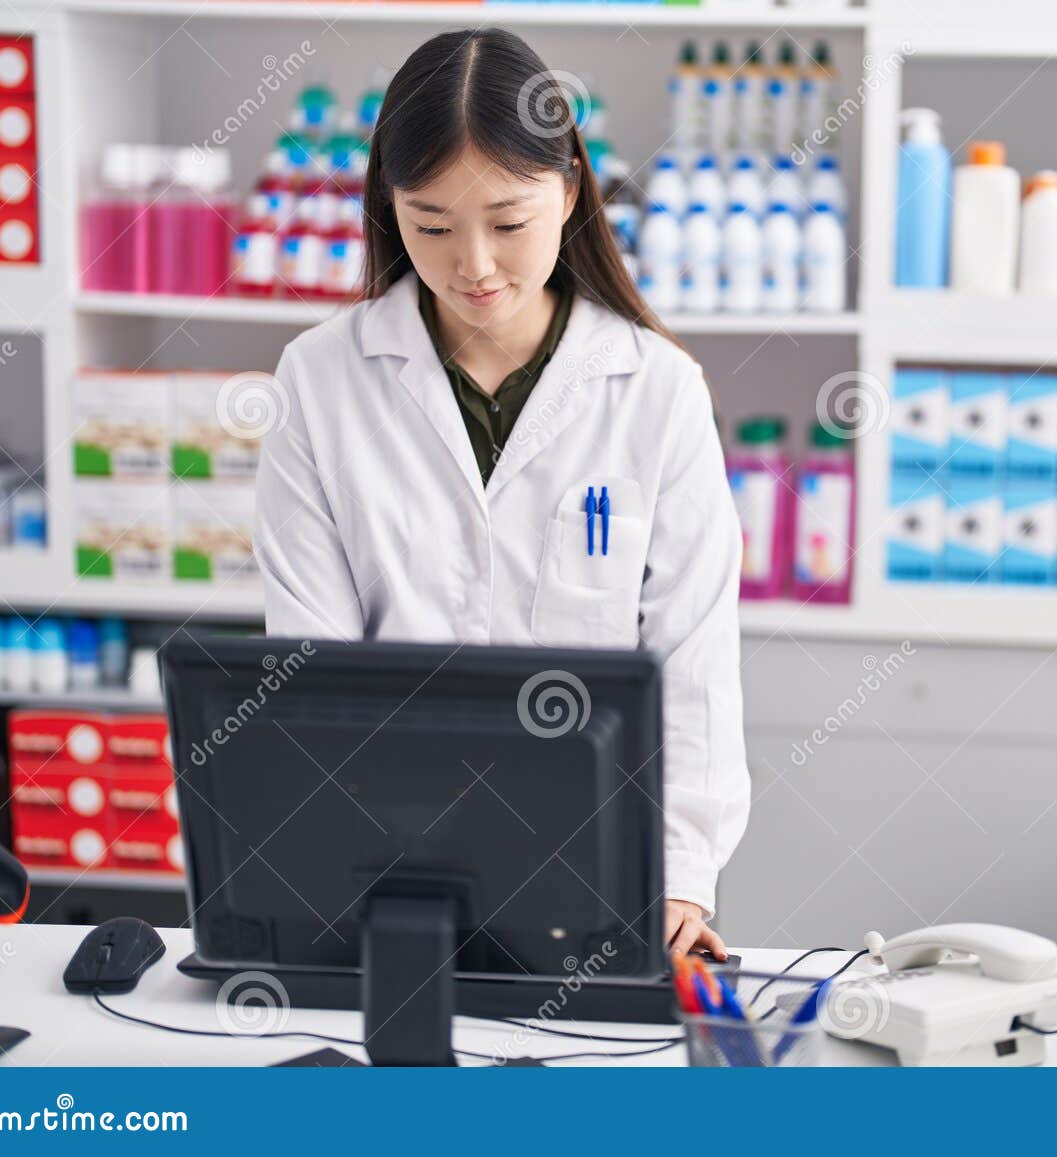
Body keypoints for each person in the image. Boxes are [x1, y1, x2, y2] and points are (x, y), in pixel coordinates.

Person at [254, 28, 749, 959]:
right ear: (387, 206)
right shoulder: (318, 381)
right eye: (432, 225)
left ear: (569, 190)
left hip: (603, 871)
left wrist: (681, 875)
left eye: (509, 223)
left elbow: (694, 662)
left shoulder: (657, 390)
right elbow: (313, 671)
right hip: (388, 864)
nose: (473, 265)